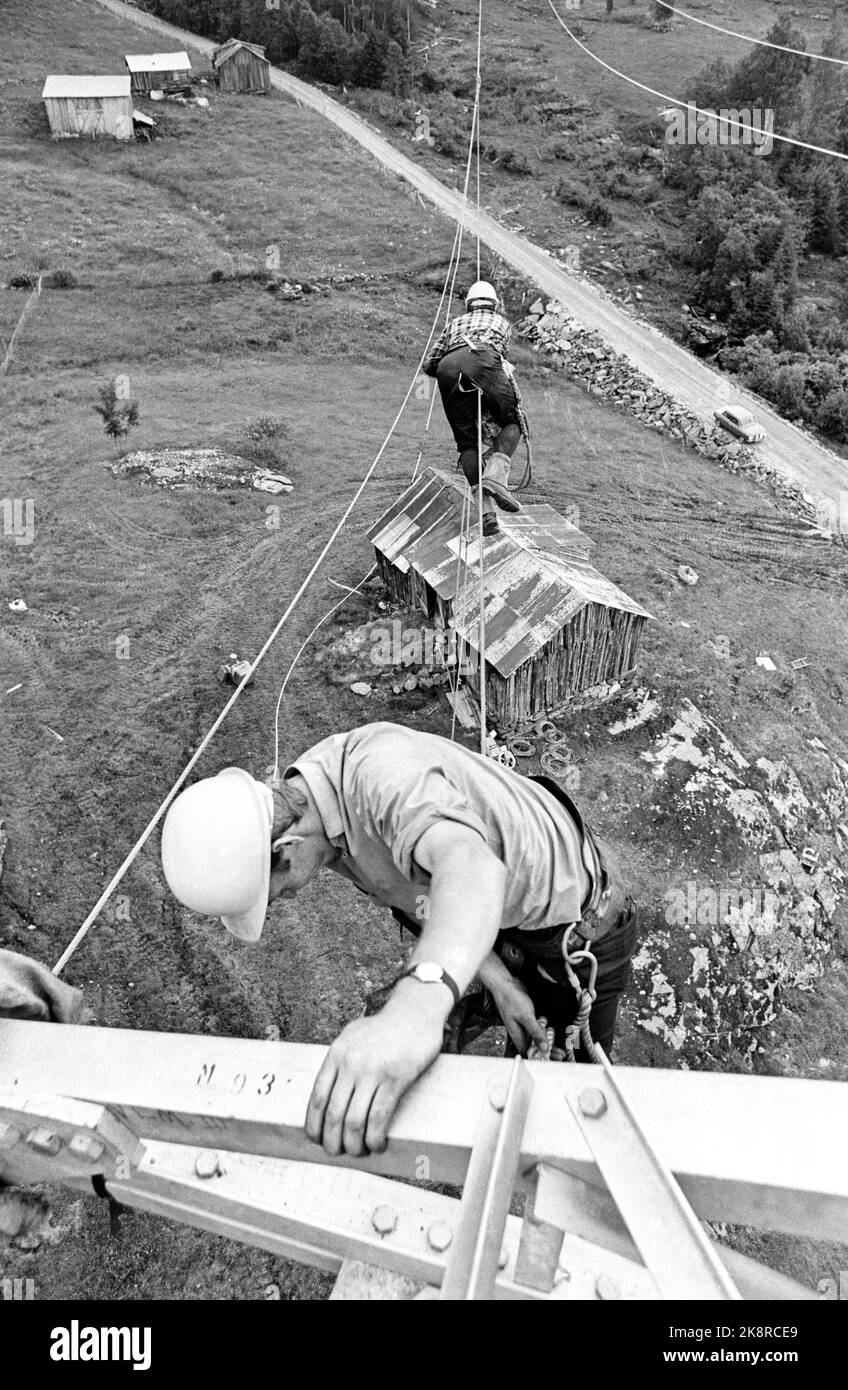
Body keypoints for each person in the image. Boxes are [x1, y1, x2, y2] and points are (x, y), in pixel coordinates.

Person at [160, 722, 638, 1159]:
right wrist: (500, 982)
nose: (281, 901)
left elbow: (470, 870)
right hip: (502, 920)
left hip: (578, 927)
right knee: (524, 1061)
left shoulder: (381, 777)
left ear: (284, 850)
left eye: (274, 893)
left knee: (567, 1089)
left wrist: (411, 1017)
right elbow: (425, 898)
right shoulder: (319, 809)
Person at [423, 281, 525, 537]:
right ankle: (496, 479)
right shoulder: (502, 323)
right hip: (483, 357)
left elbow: (429, 366)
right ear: (494, 304)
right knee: (513, 421)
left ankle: (487, 513)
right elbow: (500, 361)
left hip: (448, 366)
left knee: (468, 444)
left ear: (469, 304)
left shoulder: (453, 324)